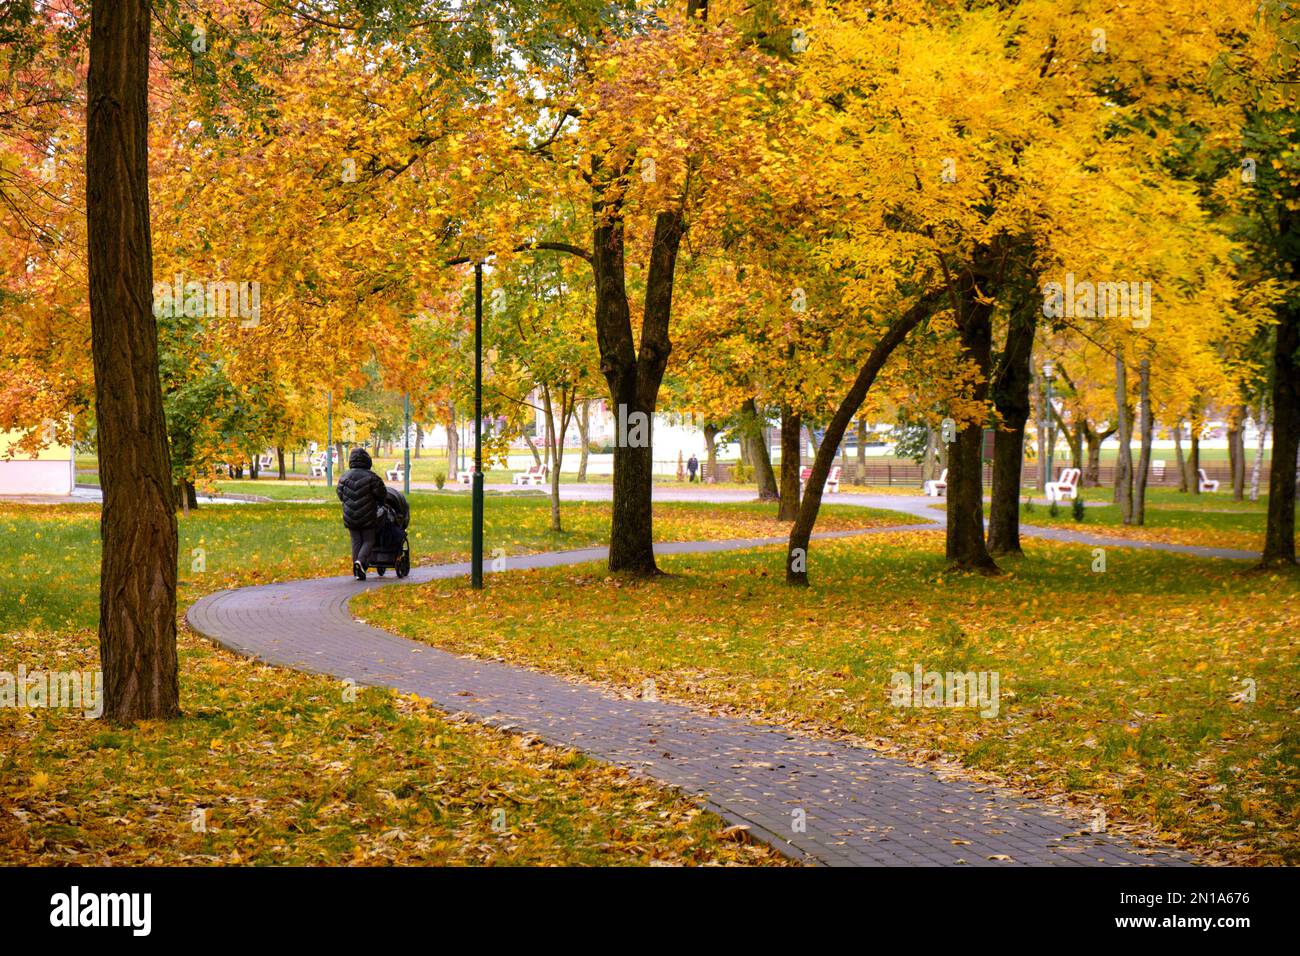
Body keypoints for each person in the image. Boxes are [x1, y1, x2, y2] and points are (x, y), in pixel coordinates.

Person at [336, 447, 387, 580]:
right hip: (368, 516)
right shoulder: (372, 477)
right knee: (369, 540)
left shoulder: (344, 477)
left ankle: (358, 568)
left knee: (356, 541)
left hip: (350, 516)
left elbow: (340, 494)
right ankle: (360, 562)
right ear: (367, 461)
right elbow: (382, 494)